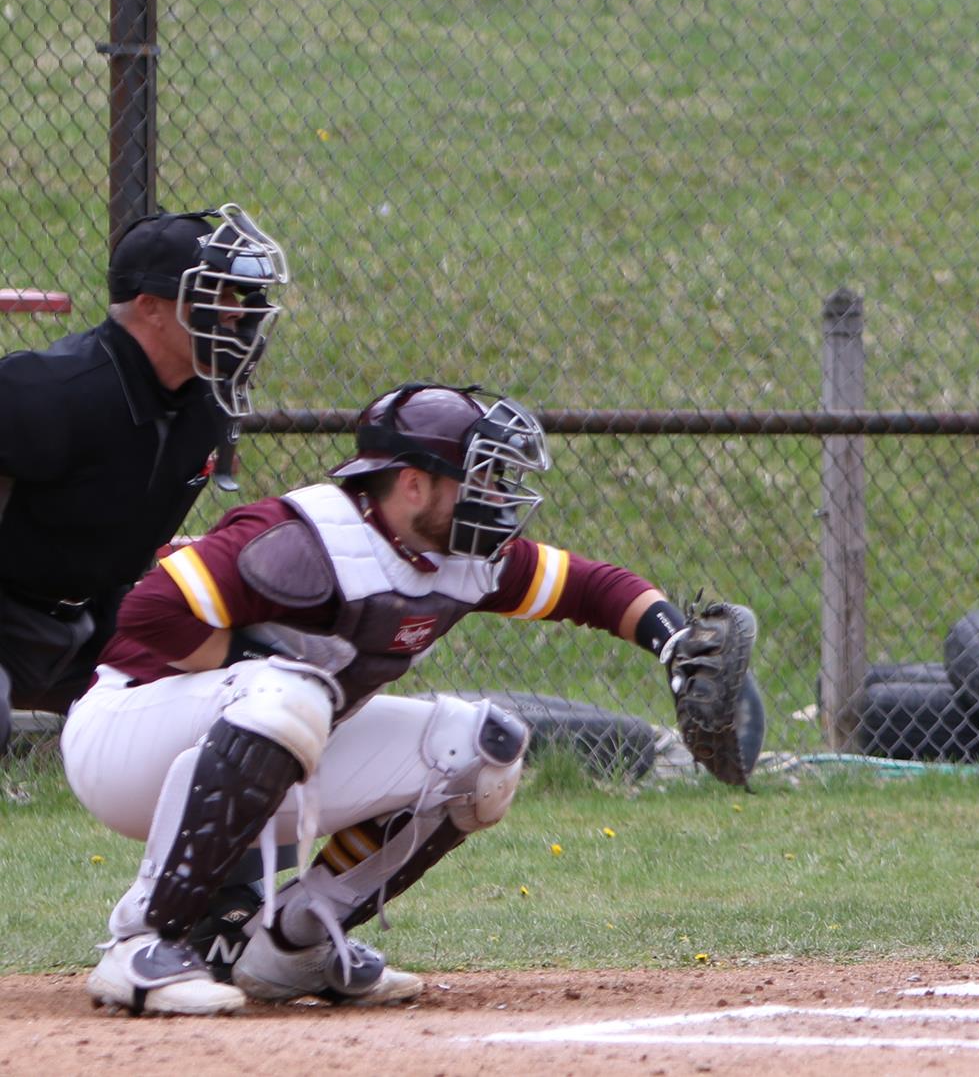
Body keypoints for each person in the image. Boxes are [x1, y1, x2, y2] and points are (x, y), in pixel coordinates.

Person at [61, 382, 761, 1016]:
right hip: (128, 739)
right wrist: (260, 672)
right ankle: (145, 940)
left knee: (483, 750)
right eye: (478, 478)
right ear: (414, 484)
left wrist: (672, 642)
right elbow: (148, 612)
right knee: (293, 693)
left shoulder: (461, 556)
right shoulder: (308, 539)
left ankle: (291, 944)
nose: (496, 496)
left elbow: (592, 588)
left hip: (269, 745)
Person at [0, 205, 286, 754]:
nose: (234, 312)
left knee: (253, 685)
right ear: (150, 307)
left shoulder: (205, 404)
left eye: (238, 296)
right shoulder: (46, 392)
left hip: (92, 616)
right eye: (213, 294)